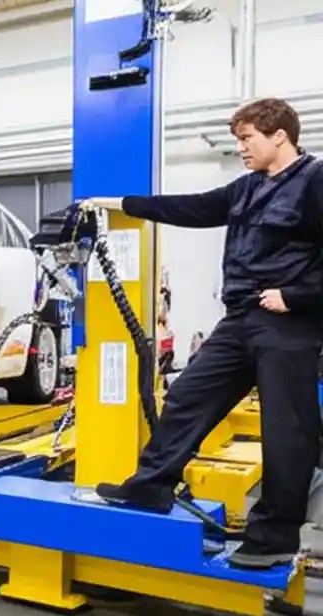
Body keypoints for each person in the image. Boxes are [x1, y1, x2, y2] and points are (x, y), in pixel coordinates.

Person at [82, 97, 323, 569]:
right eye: (237, 141)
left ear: (280, 136)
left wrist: (298, 296)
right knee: (188, 394)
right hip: (240, 320)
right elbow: (192, 208)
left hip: (289, 324)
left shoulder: (315, 182)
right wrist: (118, 203)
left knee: (285, 433)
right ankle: (150, 486)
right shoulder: (248, 188)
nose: (242, 149)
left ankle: (273, 537)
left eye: (247, 139)